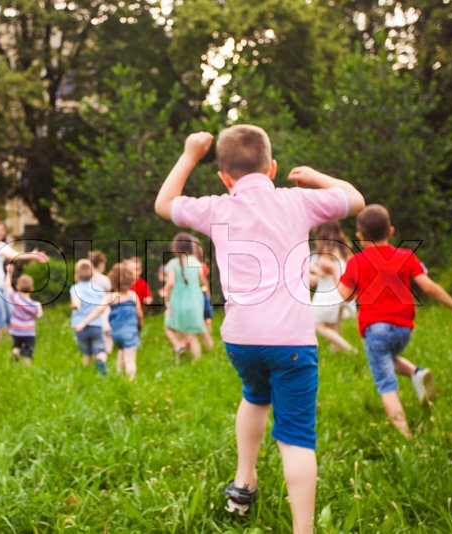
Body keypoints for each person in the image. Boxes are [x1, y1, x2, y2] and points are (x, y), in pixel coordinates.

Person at [155, 125, 364, 530]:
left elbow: (165, 203)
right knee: (296, 437)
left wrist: (189, 154)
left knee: (254, 397)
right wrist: (316, 177)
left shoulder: (217, 207)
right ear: (272, 168)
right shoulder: (297, 201)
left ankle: (243, 482)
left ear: (223, 177)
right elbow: (355, 198)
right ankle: (303, 528)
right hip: (292, 342)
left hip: (242, 340)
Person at [337, 204, 452, 439]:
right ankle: (416, 372)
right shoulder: (406, 256)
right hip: (403, 330)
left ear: (359, 237)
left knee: (385, 383)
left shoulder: (357, 262)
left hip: (375, 329)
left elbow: (344, 294)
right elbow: (429, 287)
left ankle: (405, 436)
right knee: (386, 358)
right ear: (390, 231)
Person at [0, 220, 48, 343]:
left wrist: (32, 254)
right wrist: (32, 256)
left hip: (1, 284)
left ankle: (9, 342)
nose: (0, 233)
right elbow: (11, 257)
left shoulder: (2, 245)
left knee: (9, 315)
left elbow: (15, 253)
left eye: (2, 230)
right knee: (0, 316)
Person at [309, 220, 356, 352]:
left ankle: (350, 350)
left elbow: (324, 272)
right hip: (340, 291)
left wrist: (309, 267)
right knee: (334, 328)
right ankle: (336, 355)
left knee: (316, 325)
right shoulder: (343, 248)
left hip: (328, 293)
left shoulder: (326, 249)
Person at [162, 233, 208, 361]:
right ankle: (196, 363)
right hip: (195, 301)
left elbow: (170, 283)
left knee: (172, 327)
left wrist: (166, 299)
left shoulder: (172, 264)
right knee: (192, 335)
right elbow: (202, 282)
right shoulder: (196, 262)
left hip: (178, 302)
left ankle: (179, 347)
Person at [70, 259, 108, 375]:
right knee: (101, 350)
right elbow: (103, 306)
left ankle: (86, 374)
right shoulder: (99, 289)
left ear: (76, 275)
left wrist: (76, 305)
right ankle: (101, 359)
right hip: (96, 325)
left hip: (80, 327)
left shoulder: (75, 288)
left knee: (86, 353)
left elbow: (76, 301)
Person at [108, 261, 143, 379]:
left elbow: (99, 310)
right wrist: (140, 325)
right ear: (131, 281)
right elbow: (140, 314)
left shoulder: (111, 297)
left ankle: (118, 373)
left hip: (115, 334)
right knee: (130, 358)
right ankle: (131, 379)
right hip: (129, 332)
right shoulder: (132, 296)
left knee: (121, 350)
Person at [4, 264, 43, 366]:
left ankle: (15, 356)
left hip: (15, 330)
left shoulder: (15, 298)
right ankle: (27, 366)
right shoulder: (35, 305)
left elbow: (7, 286)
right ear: (32, 288)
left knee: (17, 345)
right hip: (28, 332)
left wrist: (9, 272)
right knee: (28, 350)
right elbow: (38, 315)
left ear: (17, 287)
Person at [192, 236, 215, 350]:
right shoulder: (202, 264)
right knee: (207, 318)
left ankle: (200, 340)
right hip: (203, 293)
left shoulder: (190, 263)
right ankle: (208, 341)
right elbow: (205, 282)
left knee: (196, 319)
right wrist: (208, 294)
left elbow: (203, 281)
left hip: (194, 295)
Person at [88, 251, 114, 355]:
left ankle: (93, 350)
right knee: (107, 332)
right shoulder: (104, 279)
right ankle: (107, 351)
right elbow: (108, 294)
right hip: (103, 308)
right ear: (101, 264)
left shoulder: (87, 278)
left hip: (90, 308)